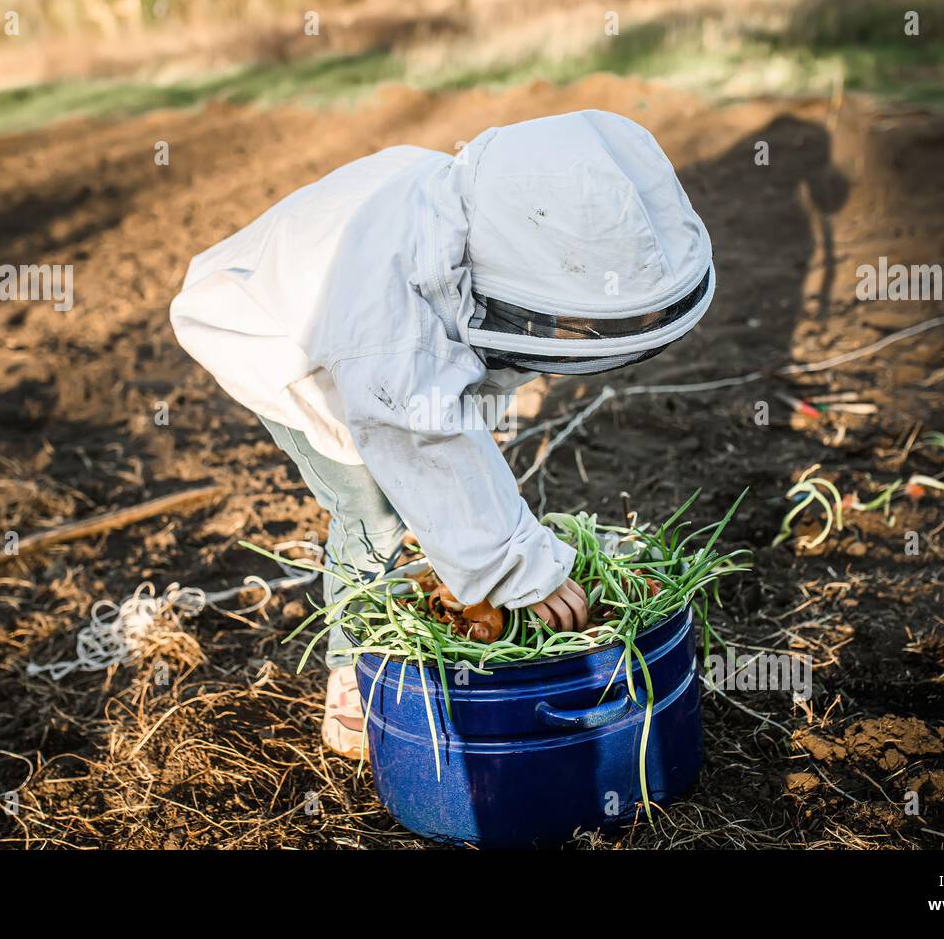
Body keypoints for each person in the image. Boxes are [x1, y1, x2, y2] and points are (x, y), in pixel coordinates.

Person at [170, 109, 715, 757]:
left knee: (443, 459)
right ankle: (354, 669)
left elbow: (442, 397)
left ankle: (450, 564)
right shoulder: (386, 327)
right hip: (274, 337)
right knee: (370, 508)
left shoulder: (478, 234)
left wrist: (480, 513)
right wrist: (519, 568)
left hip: (359, 302)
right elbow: (417, 432)